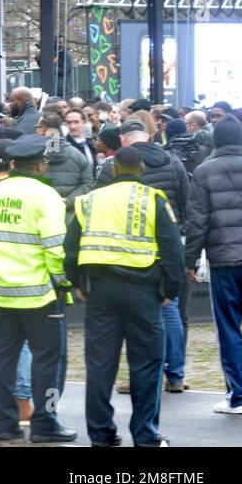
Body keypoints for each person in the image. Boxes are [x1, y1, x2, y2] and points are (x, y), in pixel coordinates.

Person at [66, 145, 184, 446]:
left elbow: (71, 248)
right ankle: (145, 436)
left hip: (100, 292)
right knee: (146, 364)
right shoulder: (154, 200)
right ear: (141, 170)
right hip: (144, 292)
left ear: (114, 169)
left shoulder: (89, 201)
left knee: (100, 364)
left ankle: (101, 434)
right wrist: (170, 290)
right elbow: (172, 250)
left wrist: (76, 281)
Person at [0, 134, 77, 443]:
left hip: (0, 293)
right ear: (41, 165)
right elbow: (56, 250)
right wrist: (65, 284)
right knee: (49, 362)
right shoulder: (46, 196)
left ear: (14, 164)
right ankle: (46, 422)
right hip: (41, 295)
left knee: (4, 359)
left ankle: (5, 425)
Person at [186, 116, 242, 415]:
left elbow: (197, 220)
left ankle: (238, 396)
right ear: (241, 139)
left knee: (228, 328)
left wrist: (190, 259)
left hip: (224, 258)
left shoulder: (204, 172)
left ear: (215, 141)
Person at [34, 111, 93, 214]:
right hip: (70, 214)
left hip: (39, 213)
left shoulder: (32, 156)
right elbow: (87, 184)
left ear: (43, 130)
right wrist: (67, 201)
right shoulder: (78, 155)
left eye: (37, 127)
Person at [63, 107, 98, 172]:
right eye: (69, 122)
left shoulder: (91, 143)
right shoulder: (63, 146)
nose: (72, 126)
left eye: (76, 122)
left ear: (84, 122)